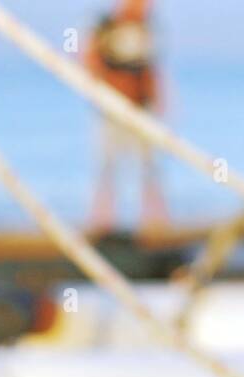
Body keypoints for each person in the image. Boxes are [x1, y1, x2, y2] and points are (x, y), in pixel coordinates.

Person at [85, 0, 168, 234]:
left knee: (150, 168)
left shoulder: (147, 28)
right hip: (112, 109)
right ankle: (102, 224)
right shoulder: (107, 26)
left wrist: (159, 100)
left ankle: (155, 225)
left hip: (141, 109)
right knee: (107, 167)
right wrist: (102, 93)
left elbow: (151, 69)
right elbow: (90, 58)